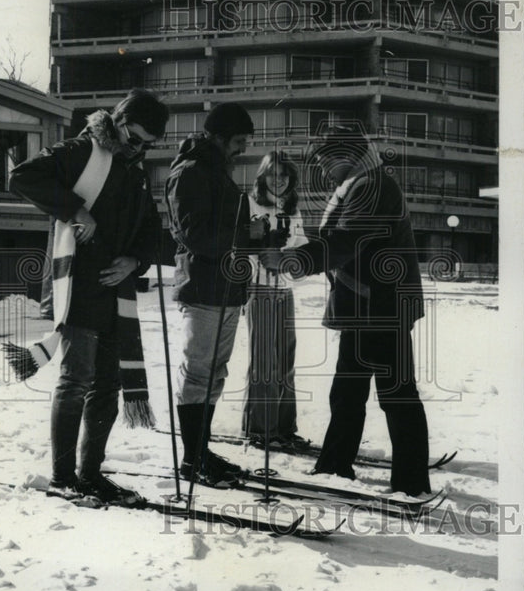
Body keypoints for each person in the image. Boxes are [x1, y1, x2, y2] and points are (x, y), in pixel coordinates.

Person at [5, 89, 169, 504]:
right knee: (76, 380)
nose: (138, 150)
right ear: (117, 120)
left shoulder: (133, 169)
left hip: (118, 292)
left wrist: (135, 259)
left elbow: (150, 227)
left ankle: (90, 473)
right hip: (78, 287)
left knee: (108, 385)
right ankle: (63, 476)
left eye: (147, 145)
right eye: (135, 139)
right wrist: (75, 209)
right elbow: (22, 176)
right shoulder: (82, 150)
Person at [277, 124, 431, 497]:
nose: (324, 170)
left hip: (381, 307)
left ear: (348, 156)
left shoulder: (372, 187)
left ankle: (410, 481)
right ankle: (336, 464)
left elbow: (348, 240)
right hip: (369, 306)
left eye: (327, 161)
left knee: (394, 394)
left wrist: (299, 258)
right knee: (348, 392)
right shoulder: (363, 184)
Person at [165, 102, 265, 487]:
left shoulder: (216, 171)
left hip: (226, 289)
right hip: (203, 287)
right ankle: (192, 458)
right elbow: (193, 235)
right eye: (238, 141)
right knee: (199, 371)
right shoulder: (191, 172)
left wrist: (255, 235)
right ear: (219, 137)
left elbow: (223, 230)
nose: (242, 148)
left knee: (213, 373)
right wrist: (243, 236)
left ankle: (201, 450)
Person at [242, 151, 310, 452]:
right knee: (264, 361)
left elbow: (302, 249)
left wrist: (289, 262)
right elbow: (240, 246)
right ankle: (259, 427)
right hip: (259, 287)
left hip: (284, 289)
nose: (278, 180)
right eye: (273, 174)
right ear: (262, 176)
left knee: (286, 359)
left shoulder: (292, 209)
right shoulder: (249, 204)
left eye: (284, 175)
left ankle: (284, 425)